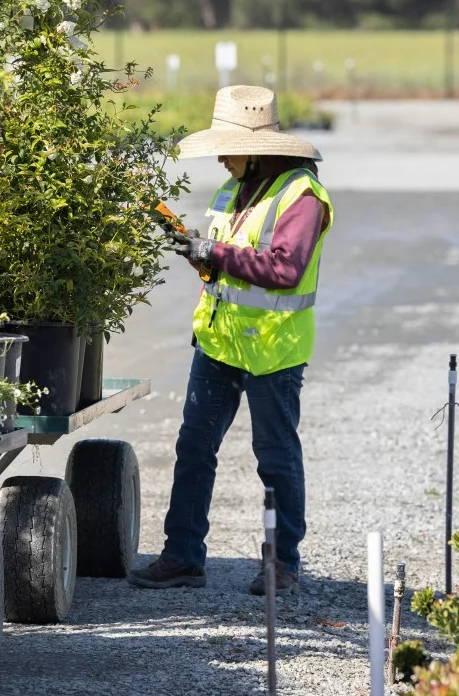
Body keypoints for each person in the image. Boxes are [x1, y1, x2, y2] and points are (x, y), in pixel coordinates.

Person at [127, 85, 333, 596]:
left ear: (258, 149)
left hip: (273, 350)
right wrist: (200, 253)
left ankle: (282, 564)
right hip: (219, 343)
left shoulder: (302, 197)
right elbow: (228, 259)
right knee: (194, 447)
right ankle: (182, 557)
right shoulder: (235, 188)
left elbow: (285, 269)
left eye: (227, 146)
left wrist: (213, 253)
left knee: (276, 457)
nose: (220, 156)